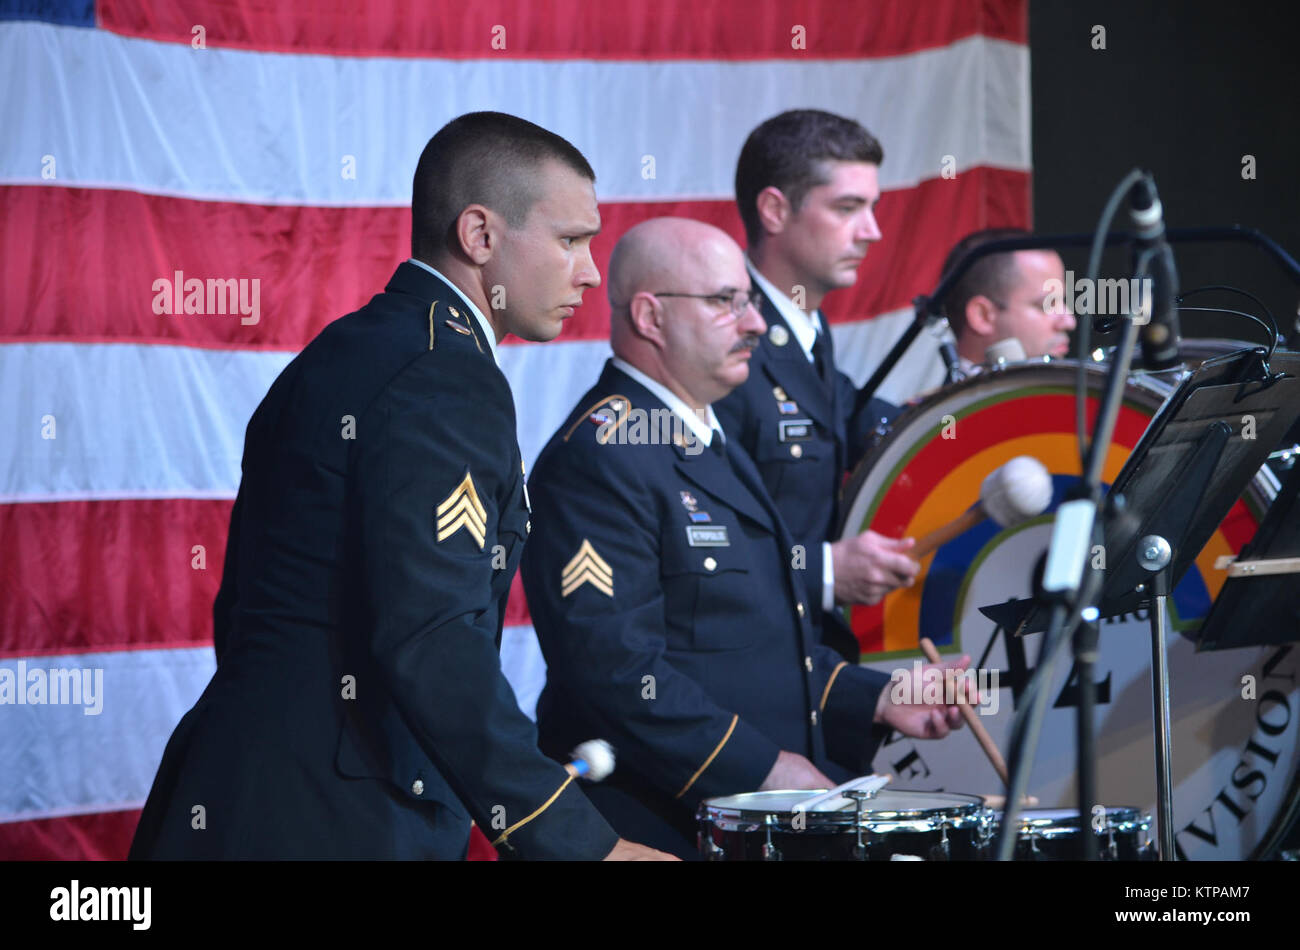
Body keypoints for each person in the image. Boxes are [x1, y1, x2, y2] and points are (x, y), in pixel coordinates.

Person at [130, 112, 672, 861]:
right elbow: (433, 637)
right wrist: (581, 843)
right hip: (333, 823)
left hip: (242, 796)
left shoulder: (346, 350)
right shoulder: (444, 378)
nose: (587, 271)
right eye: (571, 239)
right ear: (480, 236)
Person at [520, 217, 976, 859]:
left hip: (744, 823)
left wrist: (880, 697)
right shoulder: (602, 456)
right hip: (657, 829)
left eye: (751, 302)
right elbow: (618, 673)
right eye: (725, 302)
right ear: (651, 317)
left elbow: (748, 642)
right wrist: (767, 771)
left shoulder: (708, 436)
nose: (757, 323)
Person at [714, 109, 916, 665]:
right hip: (747, 673)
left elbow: (844, 412)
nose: (872, 231)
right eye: (848, 208)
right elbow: (705, 542)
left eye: (872, 208)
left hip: (811, 669)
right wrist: (826, 570)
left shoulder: (806, 328)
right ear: (775, 210)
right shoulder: (720, 346)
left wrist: (941, 424)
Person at [939, 227, 1076, 382]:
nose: (1069, 322)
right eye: (1046, 304)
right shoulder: (944, 407)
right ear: (982, 316)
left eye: (1062, 301)